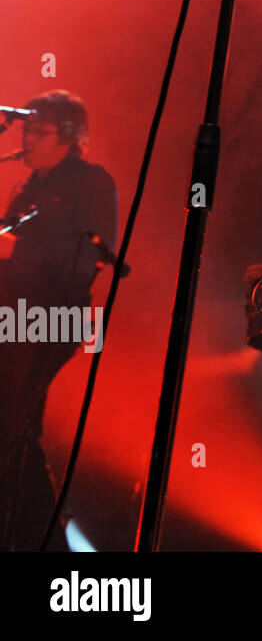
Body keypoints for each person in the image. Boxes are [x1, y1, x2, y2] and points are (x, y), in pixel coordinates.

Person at [0, 90, 117, 551]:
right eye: (26, 128)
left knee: (13, 422)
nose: (26, 137)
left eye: (37, 130)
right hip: (17, 316)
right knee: (17, 429)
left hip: (55, 316)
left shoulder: (92, 181)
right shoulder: (26, 188)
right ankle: (41, 542)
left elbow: (95, 254)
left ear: (69, 137)